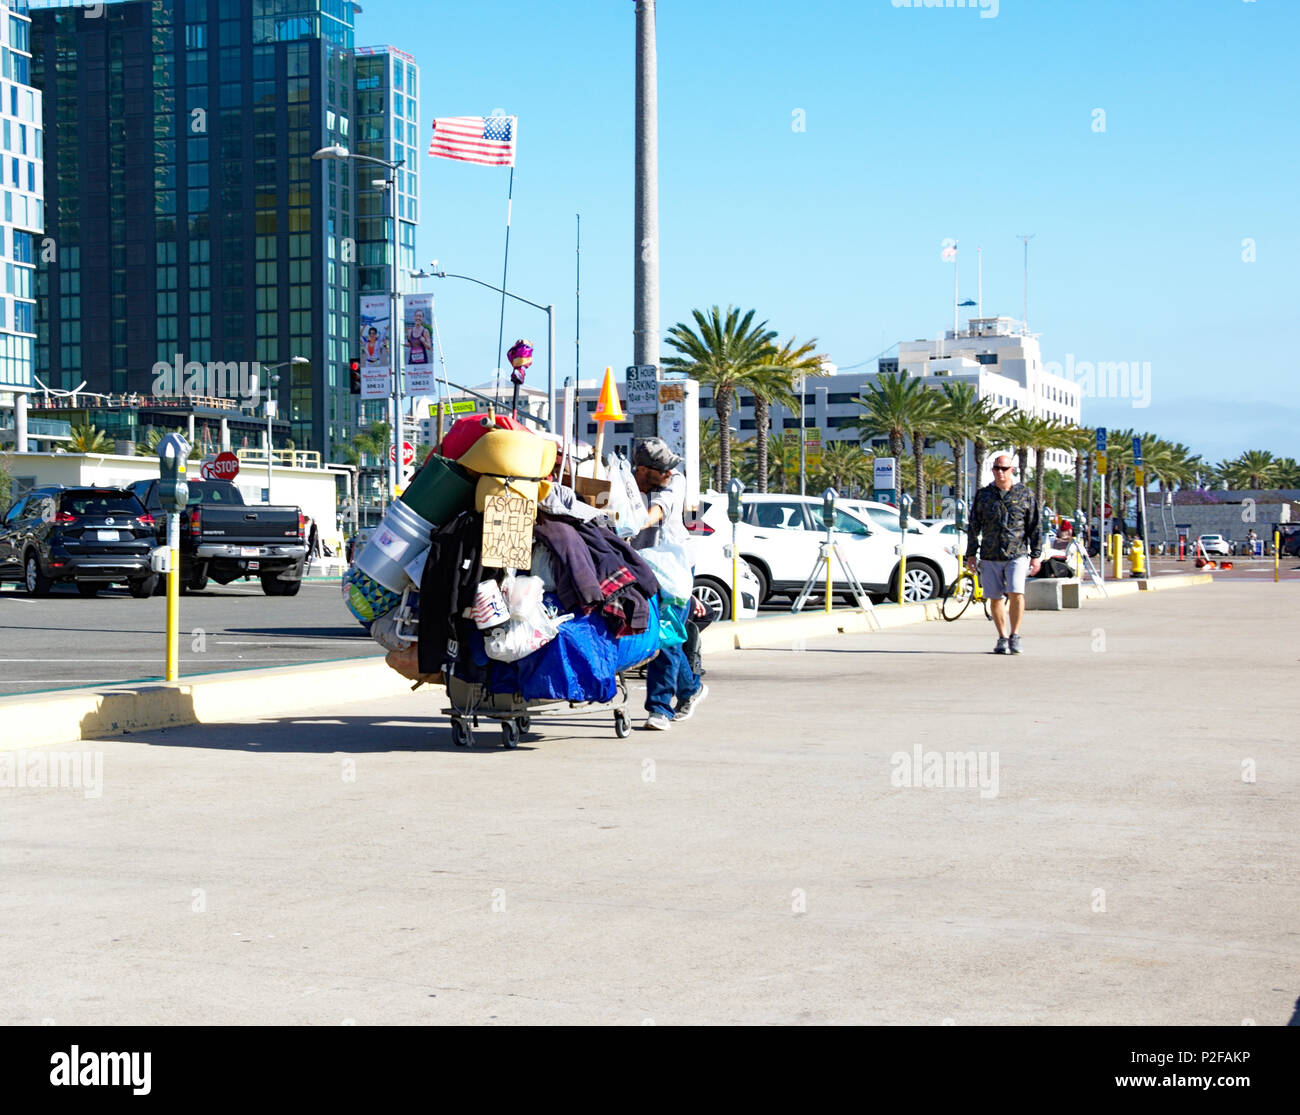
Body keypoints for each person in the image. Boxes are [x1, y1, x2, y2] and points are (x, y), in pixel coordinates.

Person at [631, 437, 706, 729]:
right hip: (643, 564)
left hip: (674, 564)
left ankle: (660, 709)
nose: (669, 473)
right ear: (643, 470)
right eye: (662, 469)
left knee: (665, 633)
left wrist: (630, 521)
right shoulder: (627, 484)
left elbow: (658, 512)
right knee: (663, 635)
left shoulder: (675, 482)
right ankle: (690, 688)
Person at [965, 454, 1042, 654]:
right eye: (997, 468)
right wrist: (971, 554)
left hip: (1017, 553)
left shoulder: (1025, 494)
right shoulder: (984, 495)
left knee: (1017, 593)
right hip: (990, 554)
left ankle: (1015, 635)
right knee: (995, 597)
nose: (1000, 472)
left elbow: (1034, 525)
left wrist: (1036, 555)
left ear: (1012, 470)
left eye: (1004, 468)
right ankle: (1002, 637)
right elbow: (974, 525)